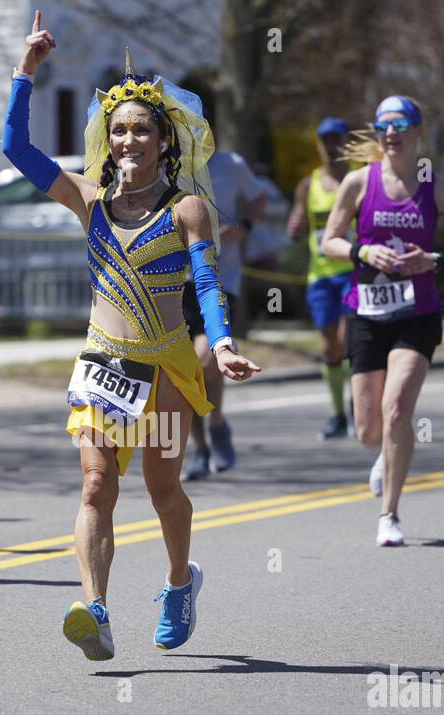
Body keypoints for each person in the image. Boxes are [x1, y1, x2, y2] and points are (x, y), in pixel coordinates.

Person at [1, 14, 260, 660]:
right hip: (103, 365)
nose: (129, 140)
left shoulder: (187, 210)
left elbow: (206, 285)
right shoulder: (87, 201)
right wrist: (25, 73)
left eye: (141, 129)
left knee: (162, 487)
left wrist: (221, 343)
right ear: (107, 139)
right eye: (119, 130)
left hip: (167, 368)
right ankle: (97, 610)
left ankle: (179, 582)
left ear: (162, 139)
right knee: (95, 485)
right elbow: (16, 150)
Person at [319, 96, 444, 547]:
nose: (391, 134)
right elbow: (328, 242)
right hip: (368, 310)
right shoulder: (358, 182)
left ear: (417, 132)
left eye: (401, 125)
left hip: (419, 312)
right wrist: (362, 251)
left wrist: (435, 259)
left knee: (396, 410)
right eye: (383, 126)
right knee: (369, 429)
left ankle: (388, 513)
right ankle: (386, 455)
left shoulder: (439, 189)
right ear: (377, 133)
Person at [180, 87, 269, 481]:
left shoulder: (231, 165)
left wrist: (243, 227)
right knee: (186, 371)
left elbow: (258, 198)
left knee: (203, 361)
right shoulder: (170, 167)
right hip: (171, 283)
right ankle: (200, 447)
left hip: (218, 280)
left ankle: (216, 428)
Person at [287, 117, 356, 438]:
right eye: (325, 141)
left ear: (347, 143)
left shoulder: (359, 179)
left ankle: (359, 405)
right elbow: (298, 224)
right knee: (329, 347)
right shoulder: (308, 185)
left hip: (354, 272)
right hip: (321, 276)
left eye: (337, 140)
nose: (331, 147)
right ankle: (338, 413)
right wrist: (296, 228)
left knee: (348, 339)